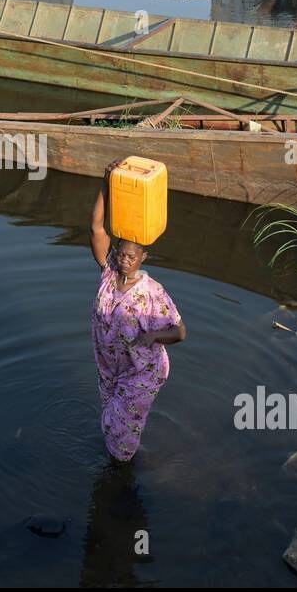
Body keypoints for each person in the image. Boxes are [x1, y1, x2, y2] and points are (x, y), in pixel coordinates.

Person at [89, 159, 186, 463]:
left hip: (142, 372)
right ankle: (121, 464)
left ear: (144, 256)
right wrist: (106, 184)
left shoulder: (153, 292)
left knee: (120, 433)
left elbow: (180, 332)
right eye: (122, 253)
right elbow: (96, 227)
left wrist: (152, 336)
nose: (125, 260)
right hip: (111, 369)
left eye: (132, 256)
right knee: (111, 424)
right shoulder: (108, 272)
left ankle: (123, 477)